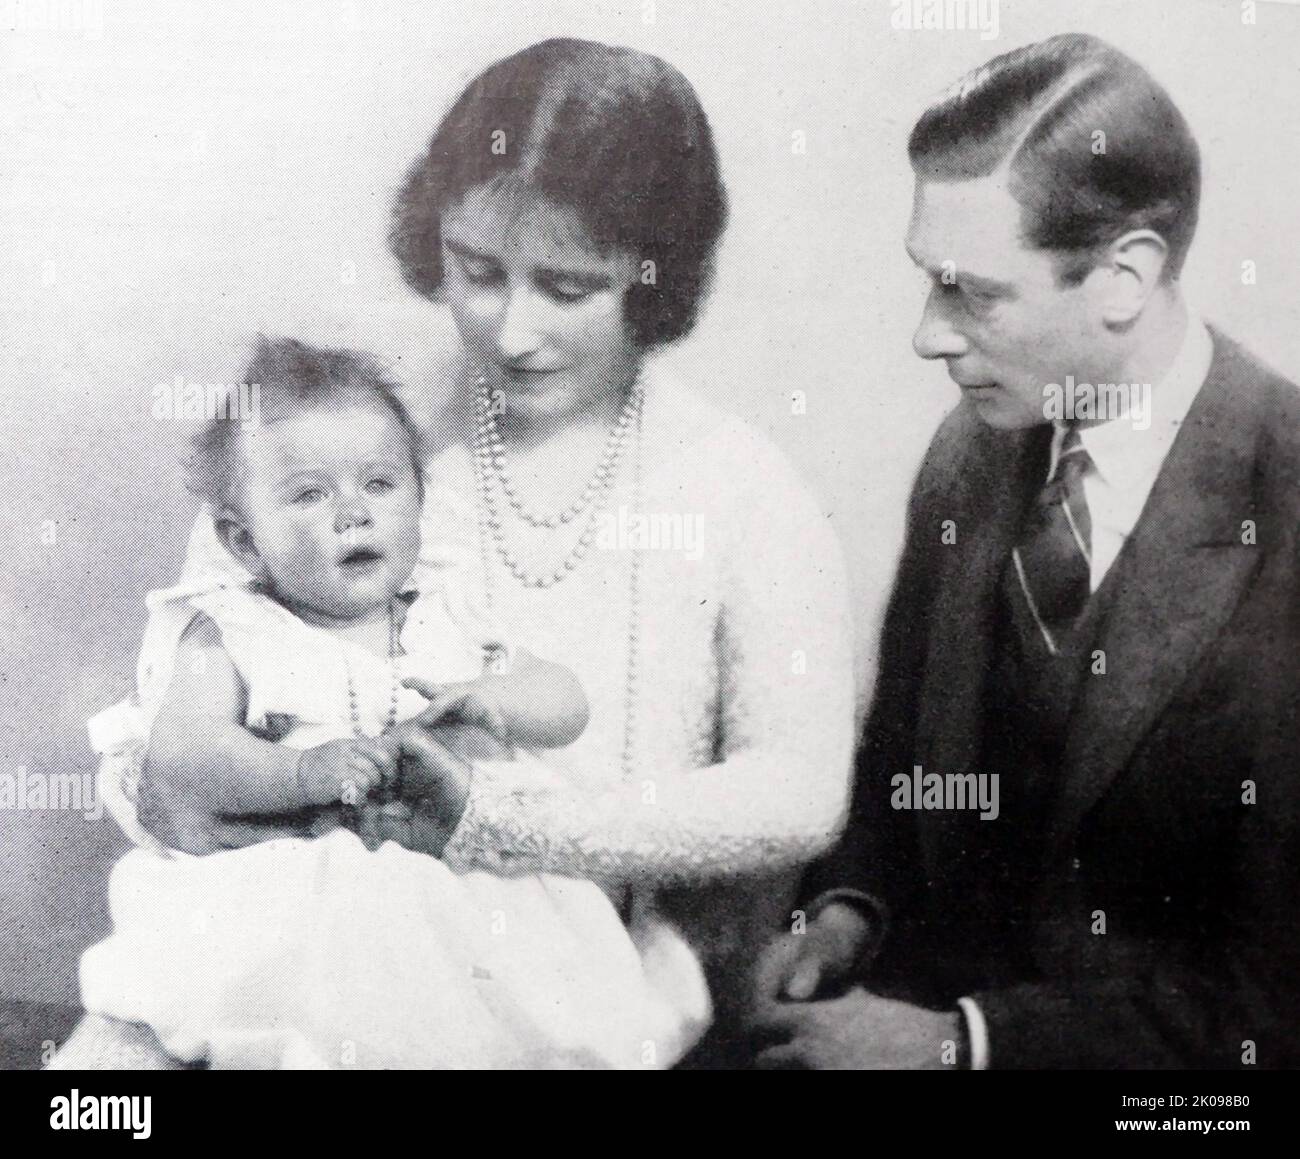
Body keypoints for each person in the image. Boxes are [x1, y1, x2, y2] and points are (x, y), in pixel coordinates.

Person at [57, 38, 855, 1067]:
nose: (510, 330)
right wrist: (173, 792)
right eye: (477, 271)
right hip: (286, 946)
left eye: (569, 288)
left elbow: (797, 790)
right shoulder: (355, 402)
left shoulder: (743, 487)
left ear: (654, 280)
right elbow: (194, 676)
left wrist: (500, 825)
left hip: (544, 980)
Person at [750, 33, 1300, 1069]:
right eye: (928, 282)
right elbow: (902, 768)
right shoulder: (971, 452)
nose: (927, 334)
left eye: (971, 292)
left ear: (1124, 277)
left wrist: (963, 1045)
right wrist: (843, 912)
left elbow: (1276, 997)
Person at [76, 336, 710, 1069]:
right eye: (310, 494)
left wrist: (494, 698)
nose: (354, 514)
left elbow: (566, 699)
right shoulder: (233, 628)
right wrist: (303, 772)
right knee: (292, 970)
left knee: (524, 980)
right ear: (243, 542)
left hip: (454, 872)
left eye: (380, 484)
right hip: (300, 870)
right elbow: (183, 749)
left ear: (419, 496)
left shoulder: (450, 608)